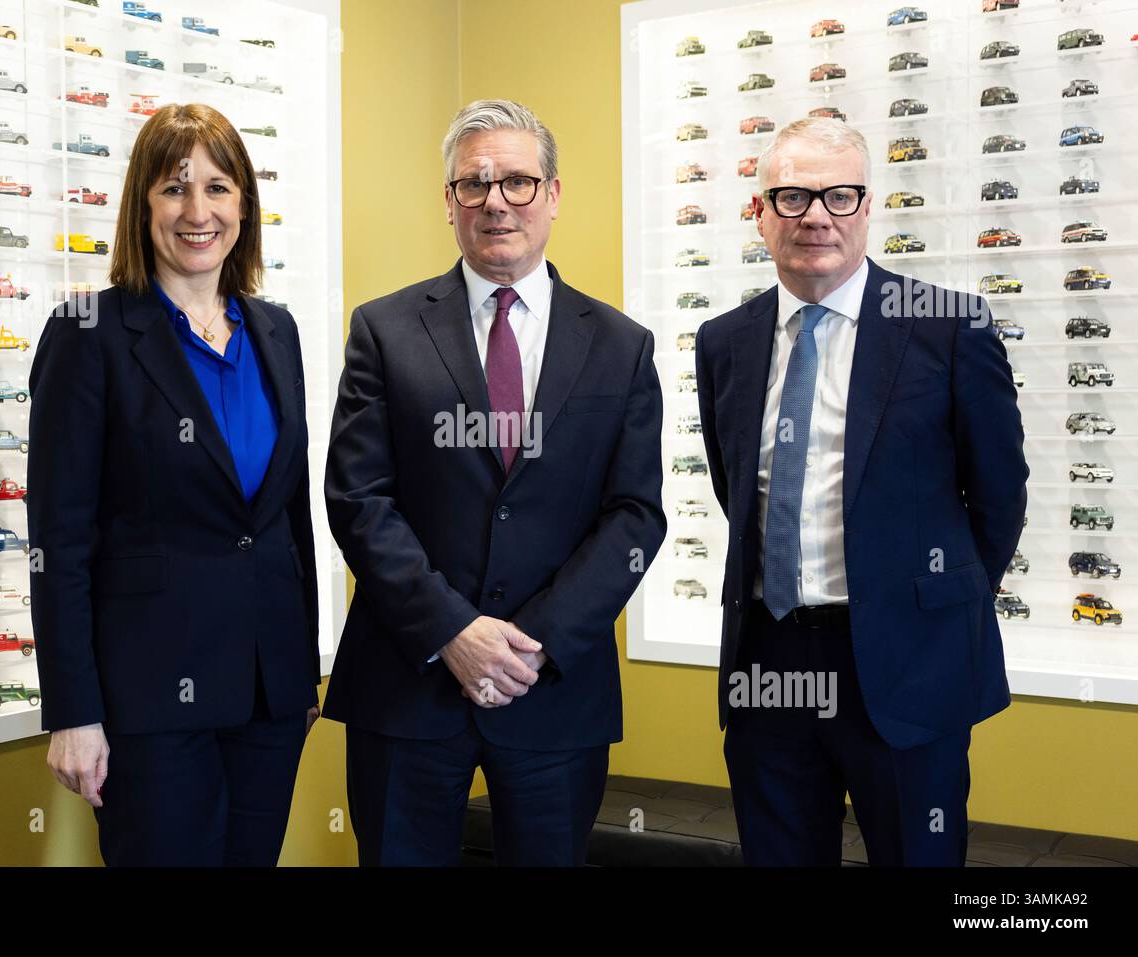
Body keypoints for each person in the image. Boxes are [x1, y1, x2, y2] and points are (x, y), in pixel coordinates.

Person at [323, 99, 666, 866]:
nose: (496, 202)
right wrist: (452, 630)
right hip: (407, 689)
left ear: (553, 194)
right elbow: (357, 499)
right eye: (473, 184)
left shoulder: (620, 345)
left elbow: (636, 515)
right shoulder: (385, 329)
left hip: (552, 694)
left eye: (517, 181)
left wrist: (532, 643)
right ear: (448, 203)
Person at [694, 118, 1029, 866]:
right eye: (792, 197)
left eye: (839, 195)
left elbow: (1000, 496)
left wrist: (935, 604)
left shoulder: (948, 328)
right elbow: (733, 486)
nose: (816, 215)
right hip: (770, 659)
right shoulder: (725, 340)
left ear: (868, 206)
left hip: (909, 664)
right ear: (760, 213)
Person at [28, 103, 321, 866]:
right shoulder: (88, 332)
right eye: (175, 189)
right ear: (142, 204)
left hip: (266, 693)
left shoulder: (276, 329)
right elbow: (58, 541)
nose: (199, 212)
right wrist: (73, 712)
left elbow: (289, 515)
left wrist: (303, 668)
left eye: (219, 188)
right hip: (149, 700)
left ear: (244, 205)